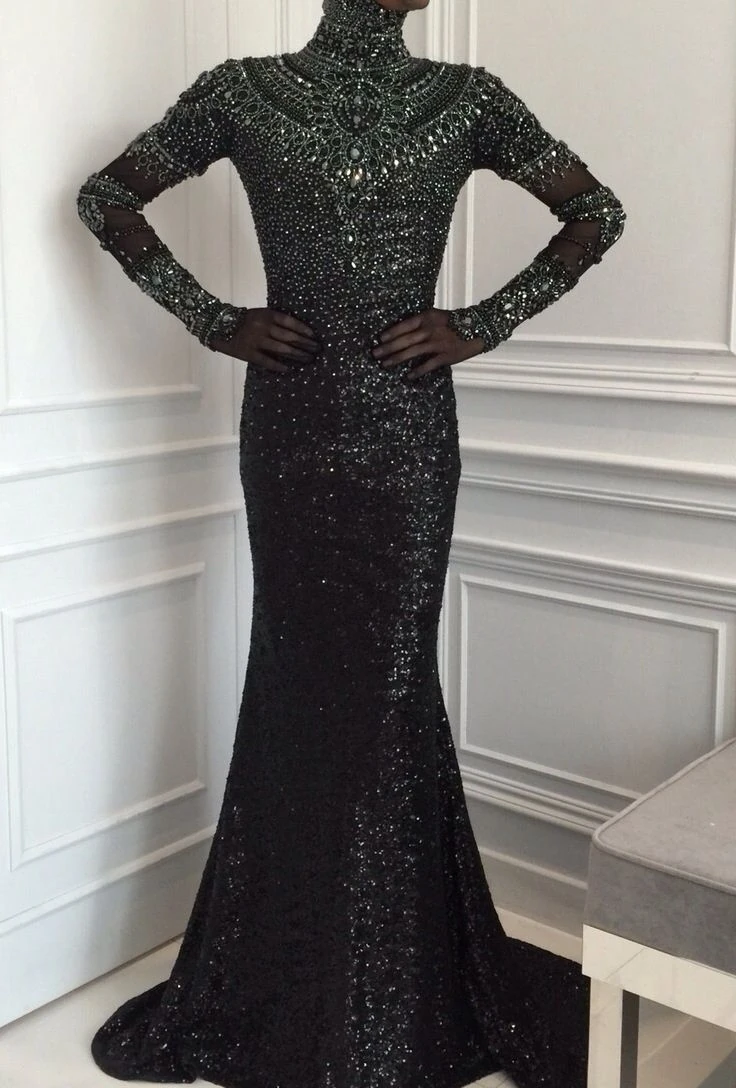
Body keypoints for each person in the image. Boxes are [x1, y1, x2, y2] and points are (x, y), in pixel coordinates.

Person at [76, 0, 626, 1085]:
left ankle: (395, 982)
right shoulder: (241, 91)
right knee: (296, 684)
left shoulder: (465, 98)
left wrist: (480, 321)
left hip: (408, 434)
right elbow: (107, 197)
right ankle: (288, 977)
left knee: (388, 686)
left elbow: (594, 213)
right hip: (290, 431)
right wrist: (213, 317)